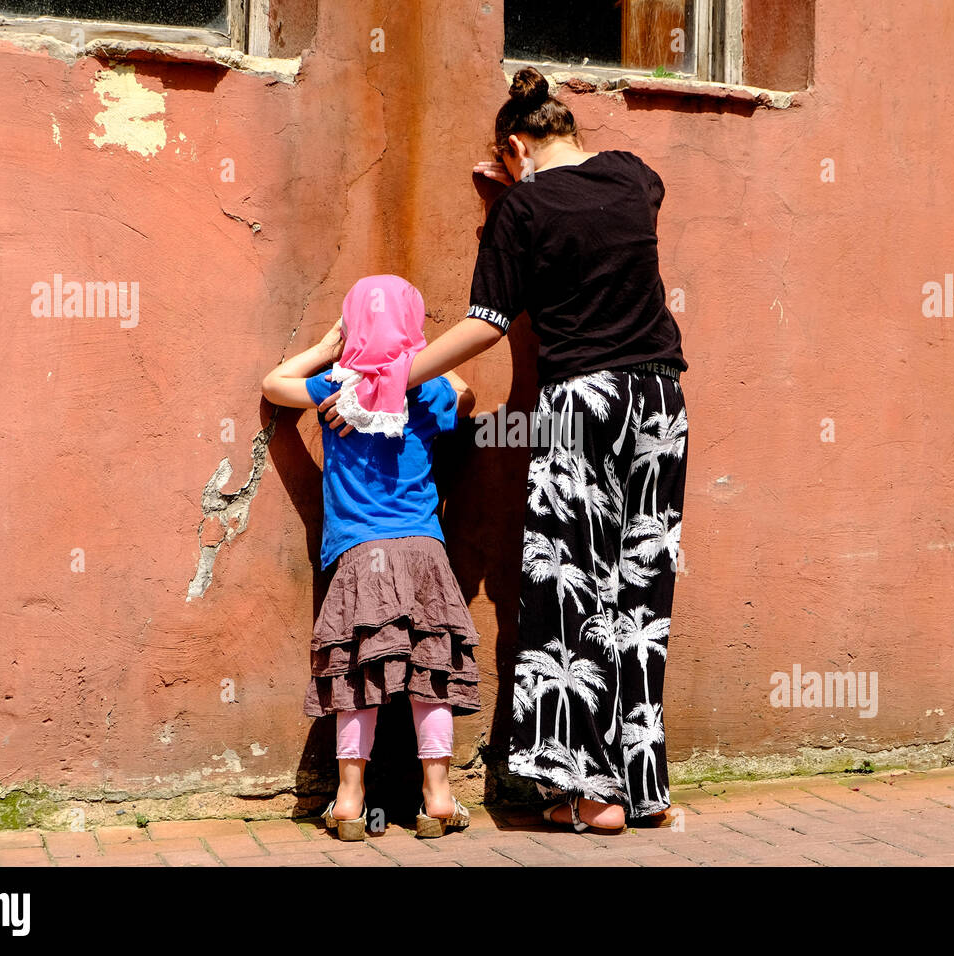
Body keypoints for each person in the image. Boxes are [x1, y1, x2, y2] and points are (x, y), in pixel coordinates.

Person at [319, 68, 689, 833]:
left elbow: (486, 322)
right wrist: (524, 173)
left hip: (581, 401)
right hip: (660, 400)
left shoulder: (522, 209)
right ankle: (641, 785)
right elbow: (615, 191)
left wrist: (385, 375)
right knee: (640, 593)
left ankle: (591, 794)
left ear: (515, 148)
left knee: (572, 591)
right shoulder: (631, 175)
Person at [261, 274, 479, 840]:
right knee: (431, 670)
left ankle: (350, 800)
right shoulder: (428, 390)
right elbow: (466, 397)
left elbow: (273, 384)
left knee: (359, 676)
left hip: (362, 554)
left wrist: (330, 349)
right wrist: (419, 356)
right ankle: (438, 795)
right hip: (424, 549)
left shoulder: (336, 385)